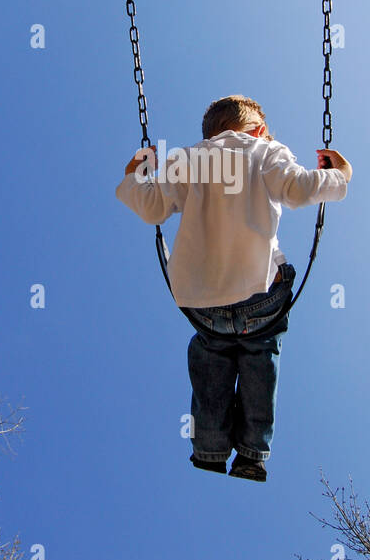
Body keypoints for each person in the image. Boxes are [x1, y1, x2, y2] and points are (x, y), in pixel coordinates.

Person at [115, 95, 351, 482]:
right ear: (259, 130)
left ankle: (208, 450)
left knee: (210, 370)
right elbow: (298, 189)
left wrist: (134, 177)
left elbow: (151, 209)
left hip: (203, 304)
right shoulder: (265, 150)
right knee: (260, 363)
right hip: (262, 297)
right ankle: (252, 454)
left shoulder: (185, 158)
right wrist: (340, 175)